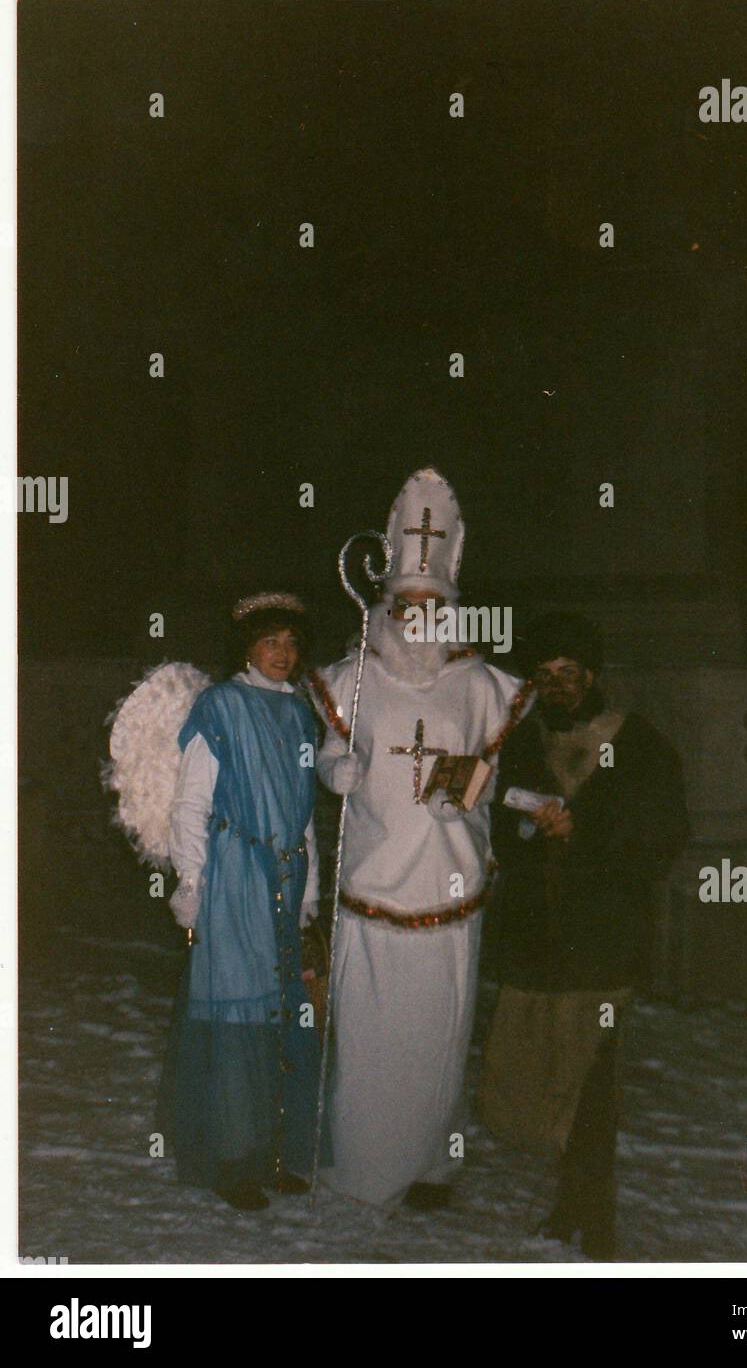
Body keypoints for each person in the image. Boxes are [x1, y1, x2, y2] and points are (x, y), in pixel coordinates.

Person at [307, 467, 532, 1208]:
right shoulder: (348, 682)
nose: (419, 618)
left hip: (448, 886)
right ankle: (367, 1164)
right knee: (371, 1042)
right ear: (387, 603)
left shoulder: (482, 686)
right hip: (370, 885)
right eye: (406, 603)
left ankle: (430, 1162)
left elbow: (491, 776)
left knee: (437, 1036)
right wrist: (332, 762)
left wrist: (469, 794)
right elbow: (324, 758)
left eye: (433, 605)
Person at [478, 612, 688, 1259]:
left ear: (590, 674)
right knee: (548, 1076)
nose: (555, 684)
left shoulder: (638, 743)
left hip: (603, 942)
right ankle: (568, 1203)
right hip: (539, 945)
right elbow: (498, 826)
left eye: (566, 672)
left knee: (594, 1080)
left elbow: (662, 832)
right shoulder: (520, 743)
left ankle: (594, 1214)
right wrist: (526, 831)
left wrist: (585, 834)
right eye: (542, 675)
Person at [157, 592, 325, 1211]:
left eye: (291, 643)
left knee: (283, 1015)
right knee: (237, 1017)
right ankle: (235, 1159)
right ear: (248, 648)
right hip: (233, 876)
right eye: (270, 642)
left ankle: (279, 1153)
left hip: (286, 877)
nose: (283, 654)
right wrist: (192, 884)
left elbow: (304, 812)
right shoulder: (221, 705)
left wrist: (307, 890)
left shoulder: (302, 713)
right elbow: (192, 804)